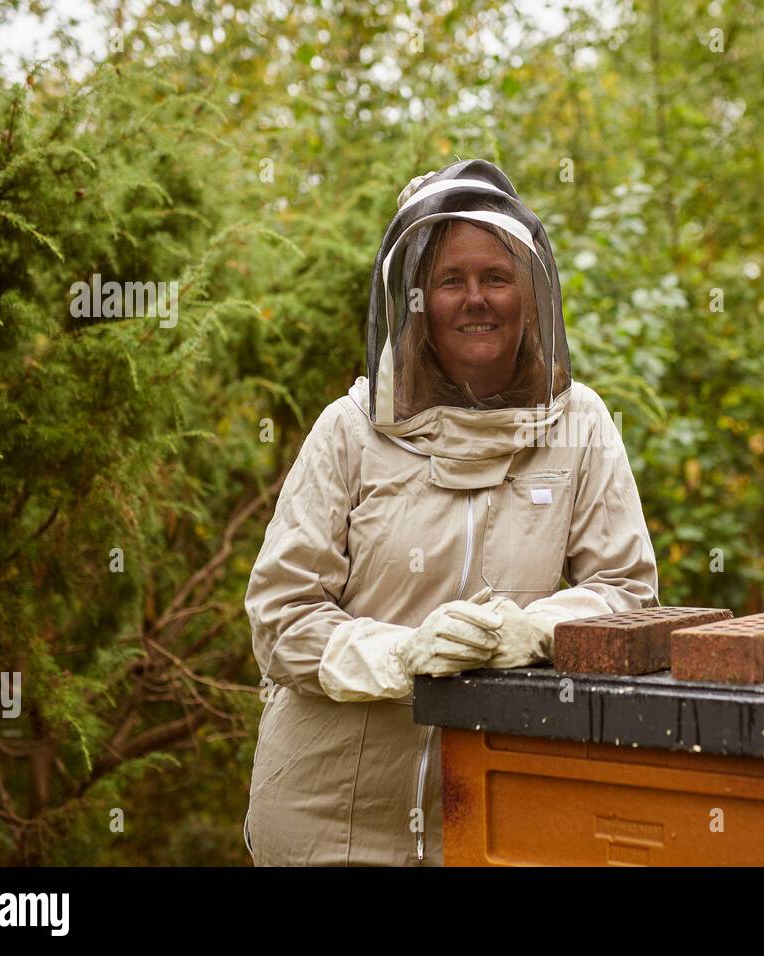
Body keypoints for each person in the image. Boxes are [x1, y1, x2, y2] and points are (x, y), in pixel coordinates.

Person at [243, 159, 660, 866]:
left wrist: (533, 630)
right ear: (414, 300)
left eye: (496, 278)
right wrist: (401, 655)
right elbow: (281, 619)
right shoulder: (349, 431)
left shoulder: (579, 424)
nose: (476, 299)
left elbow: (626, 588)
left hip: (497, 817)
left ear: (529, 295)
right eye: (450, 281)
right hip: (328, 816)